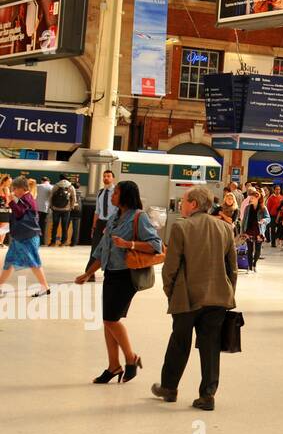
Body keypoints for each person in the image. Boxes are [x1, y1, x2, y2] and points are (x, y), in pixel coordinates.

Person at [153, 186, 237, 411]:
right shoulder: (225, 228)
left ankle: (169, 388)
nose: (181, 204)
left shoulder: (181, 227)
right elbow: (233, 268)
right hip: (218, 297)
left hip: (187, 297)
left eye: (184, 201)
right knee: (210, 346)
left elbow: (170, 267)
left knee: (180, 342)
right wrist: (229, 292)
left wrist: (170, 291)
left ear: (194, 204)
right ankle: (207, 395)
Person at [75, 180, 161, 385]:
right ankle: (113, 366)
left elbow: (155, 245)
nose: (112, 196)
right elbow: (102, 250)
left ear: (125, 196)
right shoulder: (114, 217)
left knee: (111, 320)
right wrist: (88, 273)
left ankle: (131, 358)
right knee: (107, 320)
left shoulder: (139, 217)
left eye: (116, 193)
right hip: (111, 274)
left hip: (127, 275)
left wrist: (129, 244)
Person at [0, 178, 51, 297]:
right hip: (22, 236)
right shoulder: (27, 198)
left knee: (33, 262)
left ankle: (45, 286)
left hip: (27, 236)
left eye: (15, 189)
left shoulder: (26, 199)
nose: (14, 191)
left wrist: (11, 201)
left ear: (22, 189)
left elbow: (19, 213)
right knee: (10, 261)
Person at [240, 190, 269, 272]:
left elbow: (268, 218)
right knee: (249, 250)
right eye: (251, 197)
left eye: (252, 198)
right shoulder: (247, 208)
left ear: (257, 199)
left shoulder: (263, 208)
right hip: (249, 230)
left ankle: (254, 264)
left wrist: (264, 220)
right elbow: (244, 220)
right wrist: (242, 231)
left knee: (258, 251)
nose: (251, 199)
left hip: (259, 231)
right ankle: (249, 266)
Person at [49, 174, 76, 247]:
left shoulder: (56, 186)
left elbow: (51, 196)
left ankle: (53, 242)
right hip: (66, 210)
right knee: (64, 226)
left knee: (55, 225)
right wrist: (71, 206)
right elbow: (73, 198)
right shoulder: (71, 186)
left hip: (56, 209)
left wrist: (51, 206)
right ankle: (63, 242)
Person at [35, 176, 52, 243]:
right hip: (45, 208)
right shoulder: (51, 187)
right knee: (43, 224)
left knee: (36, 224)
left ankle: (36, 240)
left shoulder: (38, 186)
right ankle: (42, 241)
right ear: (49, 181)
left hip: (36, 208)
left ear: (42, 181)